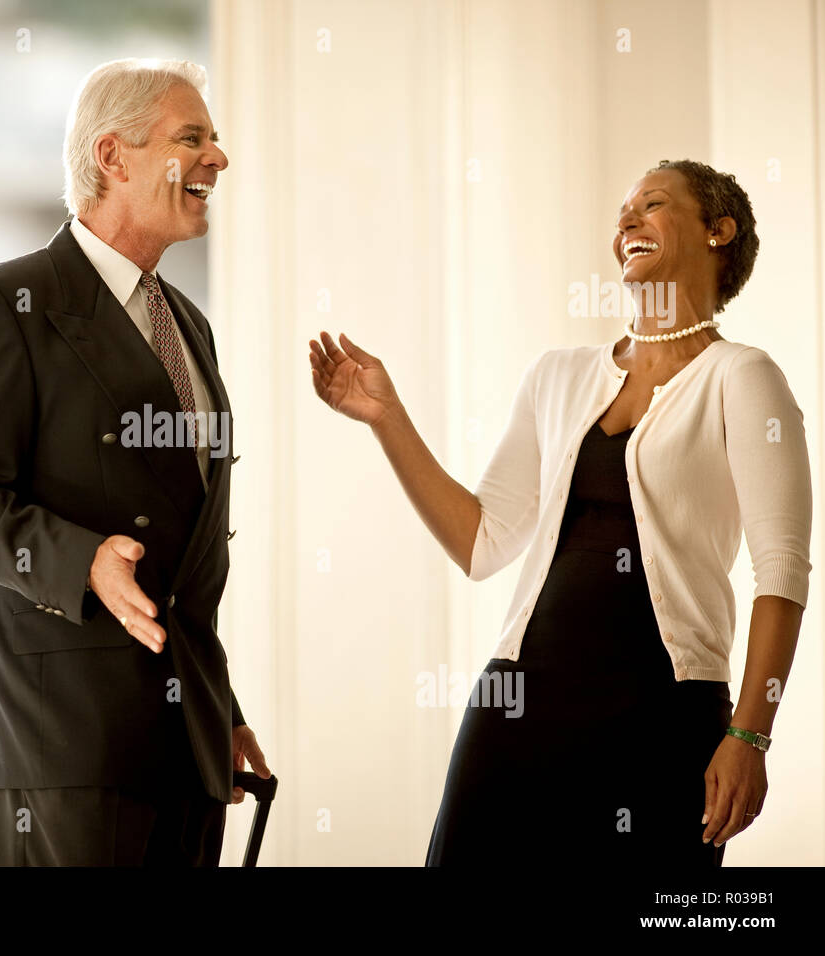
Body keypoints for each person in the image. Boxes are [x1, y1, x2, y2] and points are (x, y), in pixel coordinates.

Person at [310, 159, 811, 865]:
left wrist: (750, 735)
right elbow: (482, 542)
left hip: (663, 716)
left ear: (718, 232)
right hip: (518, 705)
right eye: (622, 212)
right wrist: (387, 418)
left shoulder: (743, 377)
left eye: (653, 205)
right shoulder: (558, 374)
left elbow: (782, 572)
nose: (626, 222)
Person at [0, 58, 269, 866]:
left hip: (187, 746)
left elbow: (183, 554)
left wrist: (218, 707)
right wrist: (83, 563)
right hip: (69, 749)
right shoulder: (3, 305)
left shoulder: (188, 323)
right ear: (113, 156)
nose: (219, 158)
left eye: (216, 138)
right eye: (193, 137)